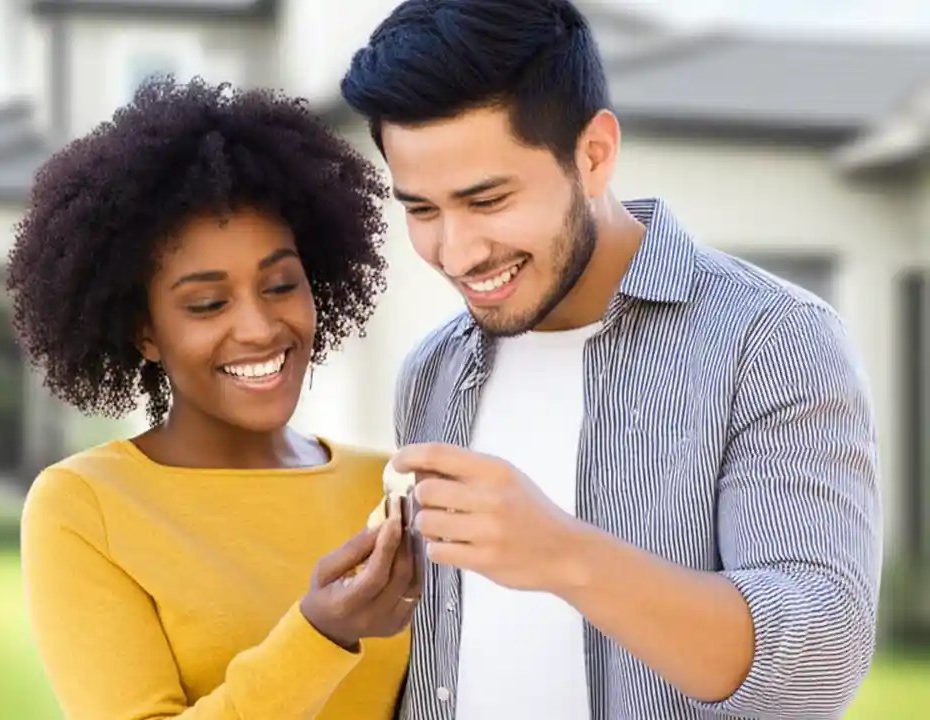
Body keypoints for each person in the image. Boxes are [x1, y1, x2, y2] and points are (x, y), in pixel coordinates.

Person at [339, 1, 882, 719]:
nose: (458, 253)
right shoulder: (432, 371)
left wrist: (563, 555)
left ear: (593, 155)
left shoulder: (771, 340)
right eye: (422, 210)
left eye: (488, 200)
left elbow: (818, 662)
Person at [10, 76, 419, 720]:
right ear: (145, 331)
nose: (258, 328)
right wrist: (320, 635)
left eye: (281, 285)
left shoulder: (385, 489)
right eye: (207, 303)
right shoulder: (85, 507)